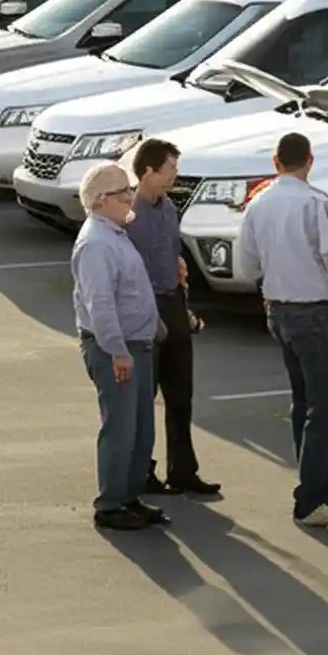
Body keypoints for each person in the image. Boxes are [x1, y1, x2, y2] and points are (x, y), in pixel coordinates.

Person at [239, 132, 328, 534]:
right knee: (327, 408)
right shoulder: (316, 202)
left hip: (279, 310)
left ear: (275, 161)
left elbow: (248, 264)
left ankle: (312, 482)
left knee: (303, 401)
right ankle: (313, 498)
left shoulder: (258, 203)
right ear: (309, 161)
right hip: (316, 312)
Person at [71, 162, 168, 531]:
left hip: (135, 346)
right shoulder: (96, 243)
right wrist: (118, 352)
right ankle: (110, 504)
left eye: (127, 188)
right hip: (117, 350)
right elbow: (101, 306)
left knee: (141, 429)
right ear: (98, 201)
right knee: (121, 431)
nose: (129, 196)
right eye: (120, 192)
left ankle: (129, 497)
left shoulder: (114, 232)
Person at [122, 137, 220, 497]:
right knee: (144, 396)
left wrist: (184, 305)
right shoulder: (129, 215)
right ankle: (141, 471)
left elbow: (174, 259)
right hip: (145, 308)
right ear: (148, 171)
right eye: (170, 169)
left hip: (172, 302)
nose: (174, 176)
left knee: (181, 393)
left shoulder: (167, 208)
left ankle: (183, 470)